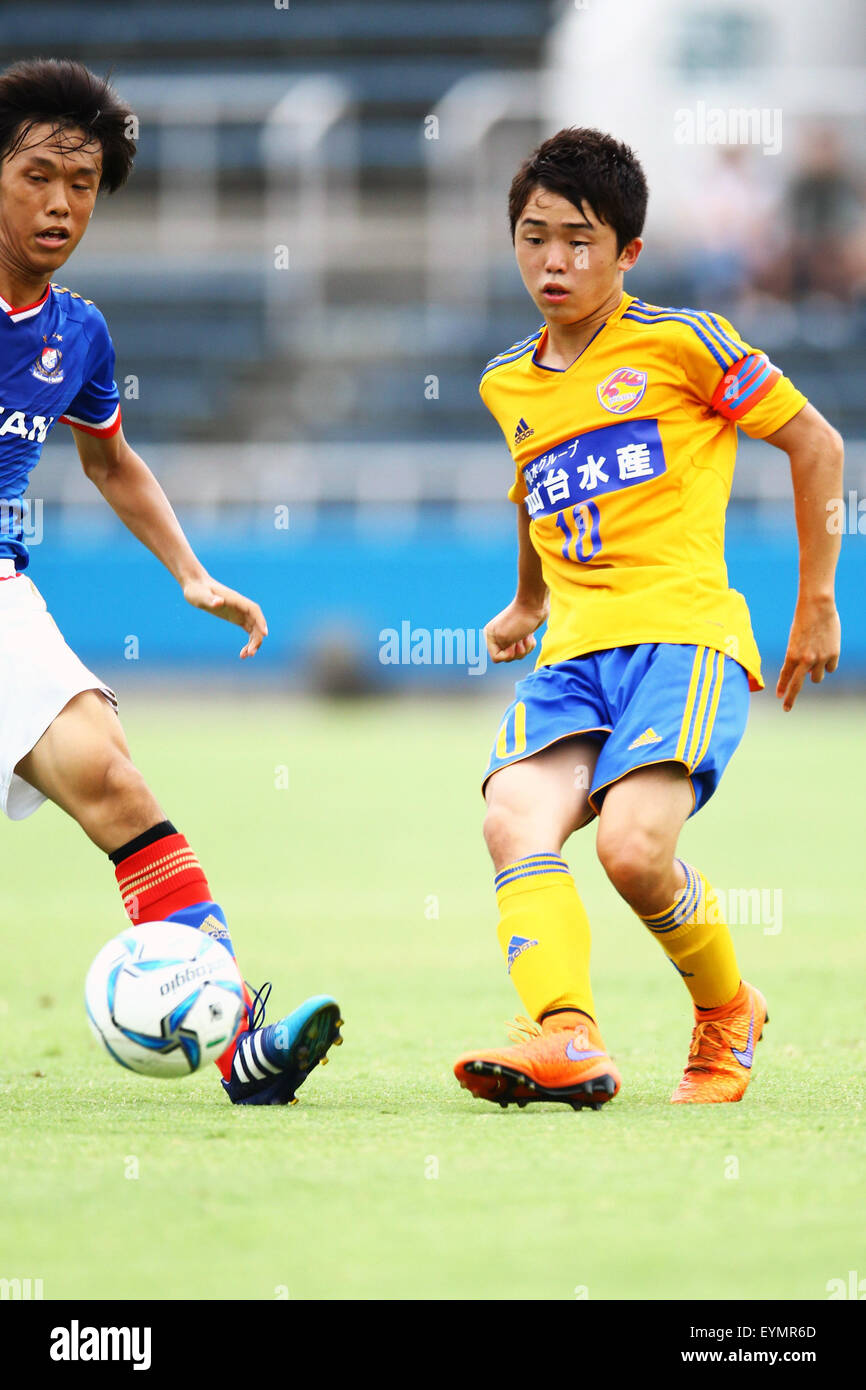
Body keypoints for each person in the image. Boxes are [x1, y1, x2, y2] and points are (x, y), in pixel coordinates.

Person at [454, 127, 842, 1108]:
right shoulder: (507, 382)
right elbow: (531, 491)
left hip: (683, 638)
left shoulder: (684, 343)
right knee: (514, 818)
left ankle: (726, 1009)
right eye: (535, 236)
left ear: (626, 253)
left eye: (579, 240)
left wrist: (814, 601)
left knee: (631, 852)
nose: (554, 260)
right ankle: (565, 1036)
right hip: (572, 652)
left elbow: (815, 444)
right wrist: (528, 601)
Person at [0, 57, 343, 1105]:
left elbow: (109, 458)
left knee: (113, 779)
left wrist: (191, 572)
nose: (63, 202)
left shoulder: (76, 334)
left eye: (85, 182)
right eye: (39, 174)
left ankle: (240, 1036)